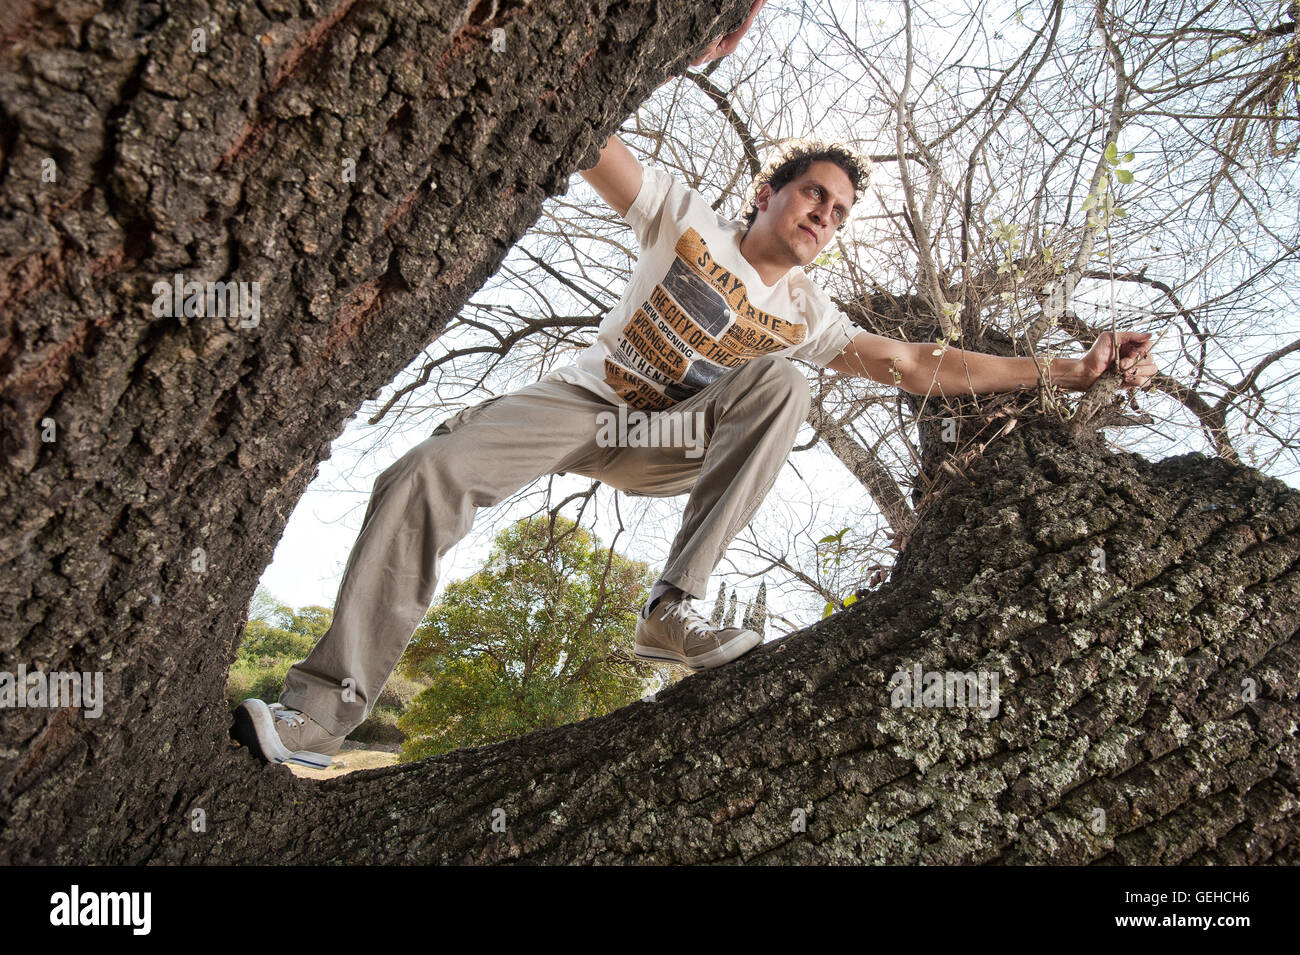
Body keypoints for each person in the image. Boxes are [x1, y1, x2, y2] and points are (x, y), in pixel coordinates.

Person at [232, 1, 1157, 767]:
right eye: (812, 196)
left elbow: (921, 364)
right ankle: (319, 716)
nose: (822, 218)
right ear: (769, 192)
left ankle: (673, 611)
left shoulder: (808, 312)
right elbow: (590, 137)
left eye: (836, 214)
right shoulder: (685, 219)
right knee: (424, 475)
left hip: (673, 440)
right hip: (587, 404)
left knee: (786, 383)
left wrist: (1067, 370)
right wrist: (683, 50)